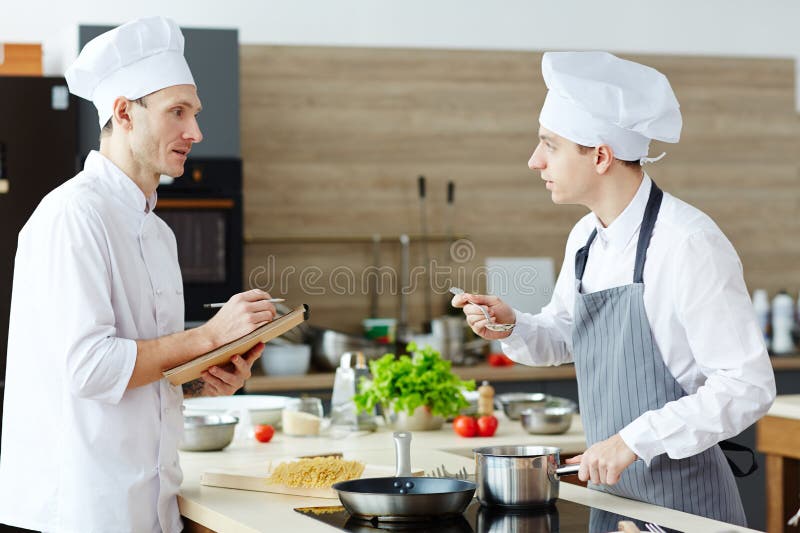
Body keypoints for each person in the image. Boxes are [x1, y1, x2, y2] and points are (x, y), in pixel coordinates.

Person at [452, 51, 775, 527]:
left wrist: (634, 440)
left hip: (683, 508)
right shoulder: (585, 236)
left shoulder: (689, 243)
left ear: (600, 155)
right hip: (611, 501)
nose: (534, 159)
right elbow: (565, 335)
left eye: (550, 145)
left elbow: (747, 385)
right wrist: (514, 324)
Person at [0, 17, 277, 532]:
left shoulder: (158, 234)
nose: (196, 132)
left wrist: (203, 381)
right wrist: (210, 336)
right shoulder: (71, 216)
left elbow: (143, 373)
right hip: (83, 510)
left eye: (193, 113)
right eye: (177, 112)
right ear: (124, 113)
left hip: (152, 505)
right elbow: (90, 368)